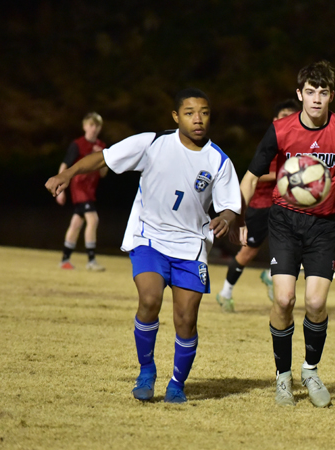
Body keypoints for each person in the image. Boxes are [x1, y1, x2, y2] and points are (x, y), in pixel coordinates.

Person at [45, 88, 241, 404]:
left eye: (204, 112)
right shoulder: (153, 143)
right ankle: (147, 370)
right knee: (149, 299)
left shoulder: (219, 161)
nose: (198, 119)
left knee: (186, 319)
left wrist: (227, 219)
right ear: (176, 117)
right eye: (189, 112)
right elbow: (104, 157)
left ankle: (177, 384)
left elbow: (231, 205)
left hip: (191, 245)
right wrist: (67, 173)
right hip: (149, 237)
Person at [238, 60, 335, 408]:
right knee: (283, 300)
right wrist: (239, 216)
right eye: (310, 92)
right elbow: (250, 176)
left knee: (316, 302)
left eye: (323, 93)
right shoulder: (280, 130)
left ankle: (310, 370)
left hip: (324, 226)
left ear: (331, 95)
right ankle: (282, 377)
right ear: (299, 94)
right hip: (285, 221)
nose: (317, 99)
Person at [216, 99, 300, 312]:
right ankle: (225, 292)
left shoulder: (299, 145)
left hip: (284, 206)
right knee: (247, 254)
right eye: (283, 117)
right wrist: (282, 174)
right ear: (275, 120)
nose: (288, 121)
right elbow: (254, 175)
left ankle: (272, 275)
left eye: (292, 117)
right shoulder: (270, 143)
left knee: (296, 245)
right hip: (260, 205)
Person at [56, 112, 108, 271]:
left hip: (90, 190)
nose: (94, 128)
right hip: (79, 188)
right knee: (93, 219)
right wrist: (59, 189)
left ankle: (65, 259)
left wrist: (102, 157)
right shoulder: (78, 144)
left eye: (97, 126)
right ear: (85, 126)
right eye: (91, 125)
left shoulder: (101, 147)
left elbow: (103, 173)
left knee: (76, 223)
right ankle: (91, 261)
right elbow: (65, 165)